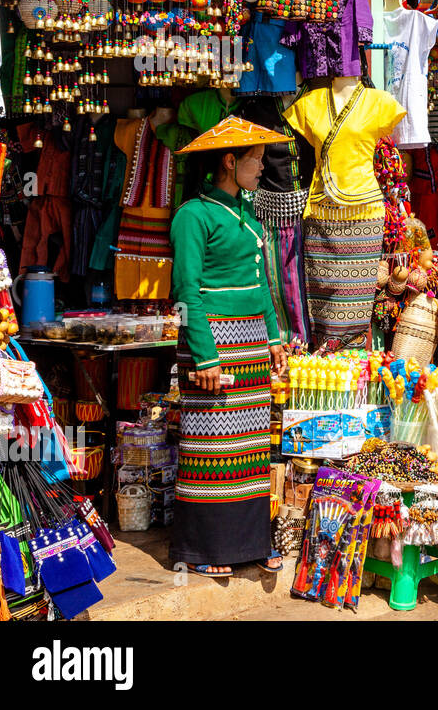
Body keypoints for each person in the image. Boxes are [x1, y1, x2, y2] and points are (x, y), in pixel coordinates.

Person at [170, 117, 292, 577]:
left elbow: (261, 282)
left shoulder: (247, 215)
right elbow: (186, 289)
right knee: (211, 449)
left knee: (250, 450)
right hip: (214, 346)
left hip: (250, 347)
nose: (261, 167)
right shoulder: (193, 216)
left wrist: (274, 338)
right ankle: (206, 550)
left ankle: (250, 542)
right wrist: (203, 355)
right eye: (255, 159)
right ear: (229, 161)